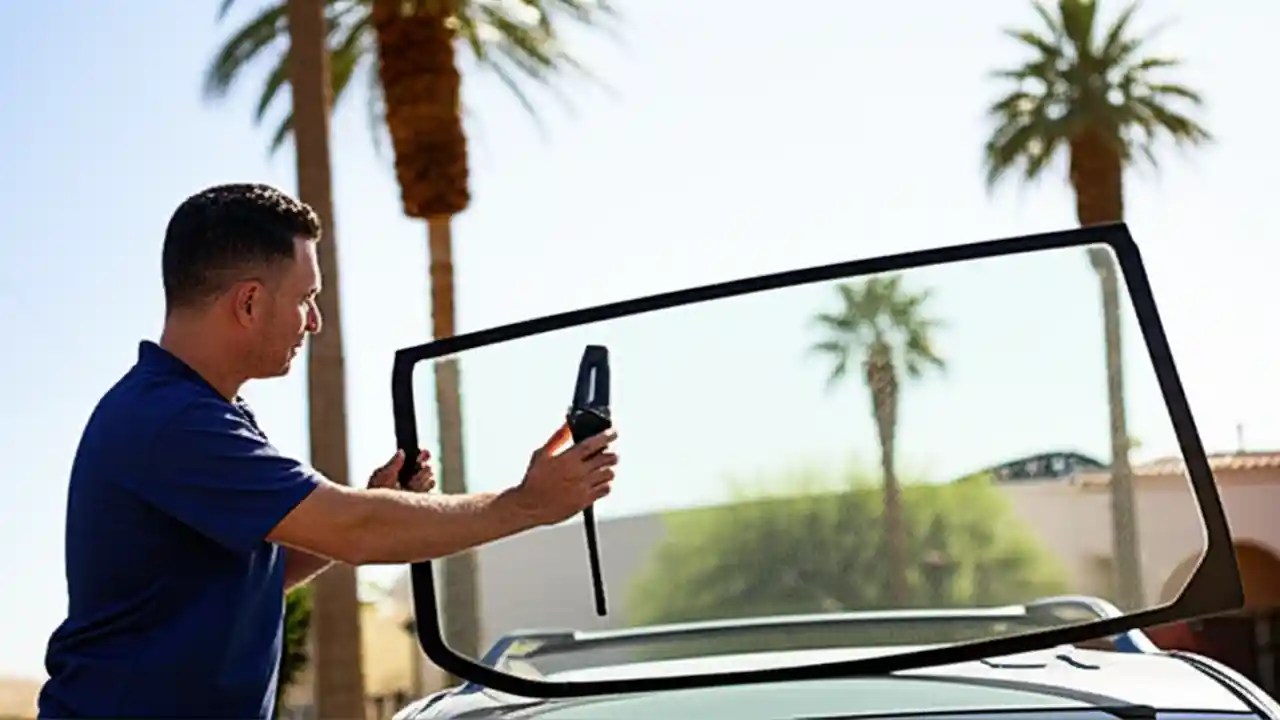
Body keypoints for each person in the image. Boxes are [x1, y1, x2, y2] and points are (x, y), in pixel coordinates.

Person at [37, 183, 619, 719]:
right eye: (306, 297)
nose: (313, 320)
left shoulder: (195, 414)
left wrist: (364, 506)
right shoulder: (172, 421)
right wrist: (526, 505)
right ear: (248, 303)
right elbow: (356, 530)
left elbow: (256, 574)